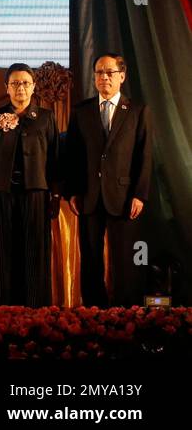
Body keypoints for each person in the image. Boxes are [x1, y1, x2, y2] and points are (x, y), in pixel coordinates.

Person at [64, 52, 151, 307]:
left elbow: (144, 156)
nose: (104, 77)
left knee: (124, 258)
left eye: (109, 72)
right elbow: (73, 156)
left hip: (124, 197)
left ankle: (125, 310)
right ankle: (94, 311)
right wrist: (73, 192)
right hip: (89, 197)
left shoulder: (137, 111)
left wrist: (140, 194)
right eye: (99, 72)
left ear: (121, 76)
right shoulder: (81, 111)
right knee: (91, 258)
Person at [0, 63, 59, 307]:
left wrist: (55, 197)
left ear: (33, 87)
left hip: (36, 195)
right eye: (15, 83)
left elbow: (54, 160)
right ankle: (0, 308)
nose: (20, 88)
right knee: (1, 253)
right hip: (1, 195)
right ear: (7, 88)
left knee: (35, 253)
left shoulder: (45, 117)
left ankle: (35, 308)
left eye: (25, 83)